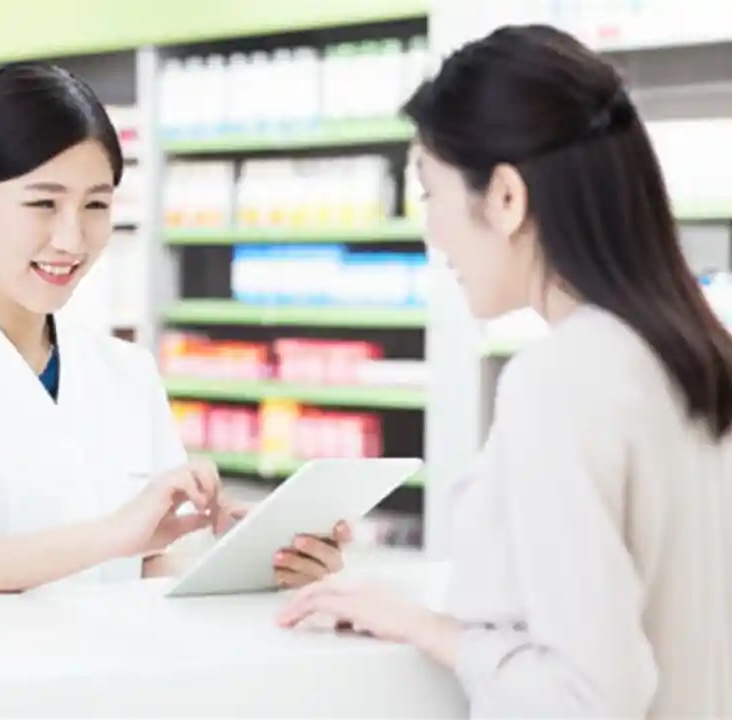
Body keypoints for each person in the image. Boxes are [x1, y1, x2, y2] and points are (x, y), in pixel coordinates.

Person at [276, 25, 732, 718]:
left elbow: (591, 695)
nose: (431, 231)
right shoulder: (696, 353)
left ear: (507, 199)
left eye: (430, 193)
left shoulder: (562, 379)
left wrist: (433, 631)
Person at [0, 62, 348, 596]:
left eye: (96, 205)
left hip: (113, 677)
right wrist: (113, 536)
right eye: (43, 204)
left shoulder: (126, 372)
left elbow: (151, 569)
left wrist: (254, 569)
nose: (71, 239)